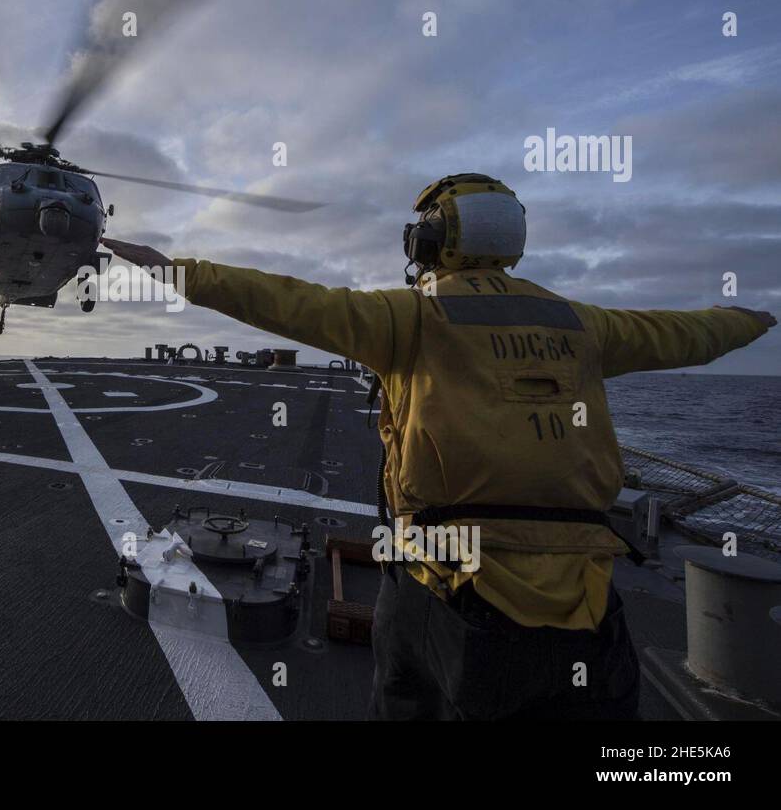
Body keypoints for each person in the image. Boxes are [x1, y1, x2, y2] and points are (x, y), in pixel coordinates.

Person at [102, 173, 774, 720]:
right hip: (586, 603)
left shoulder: (413, 316)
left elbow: (283, 300)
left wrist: (172, 270)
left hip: (448, 585)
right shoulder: (584, 325)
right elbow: (691, 332)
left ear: (429, 239)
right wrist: (753, 317)